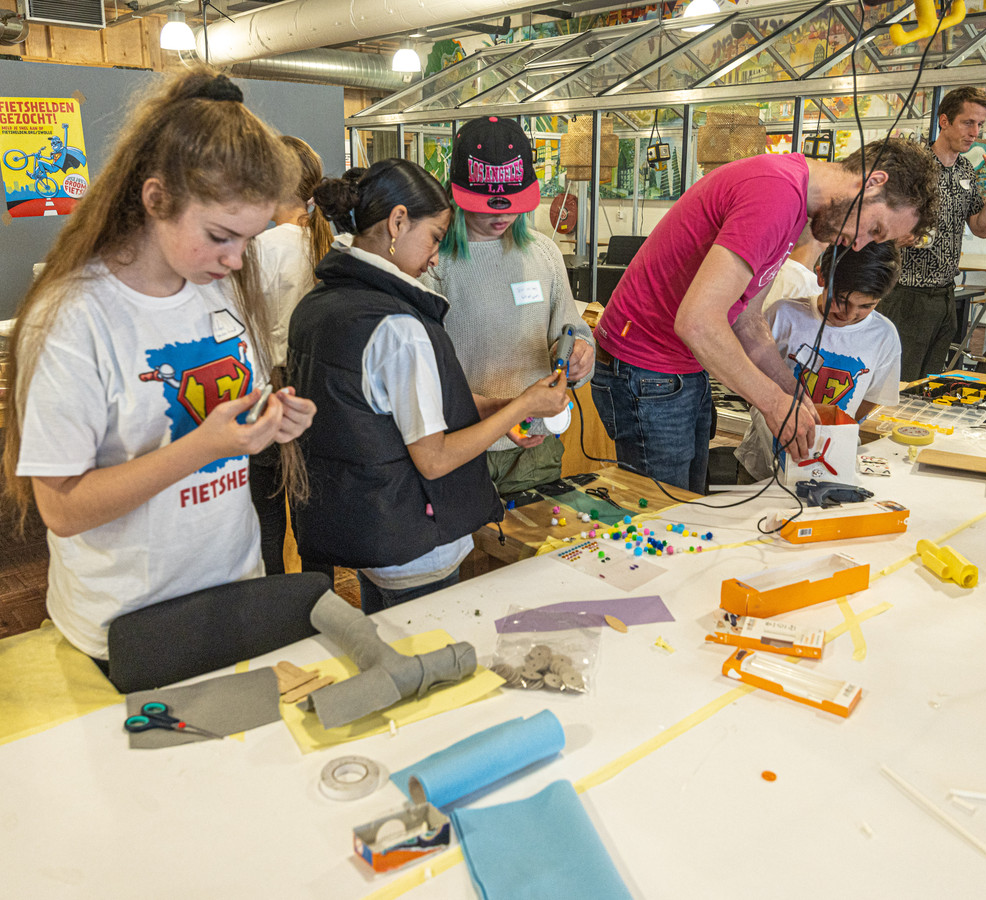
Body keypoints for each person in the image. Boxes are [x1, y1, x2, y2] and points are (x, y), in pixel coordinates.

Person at [1, 70, 317, 665]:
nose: (236, 259)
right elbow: (62, 509)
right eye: (221, 236)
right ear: (155, 199)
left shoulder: (215, 285)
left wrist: (269, 422)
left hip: (231, 589)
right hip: (131, 622)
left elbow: (216, 424)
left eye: (249, 239)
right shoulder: (75, 318)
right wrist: (204, 445)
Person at [289, 159, 570, 614]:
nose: (436, 256)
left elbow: (393, 408)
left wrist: (503, 405)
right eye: (435, 238)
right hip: (417, 544)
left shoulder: (321, 304)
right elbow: (435, 459)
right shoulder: (399, 326)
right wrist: (521, 408)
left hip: (370, 530)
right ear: (398, 221)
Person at [591, 137, 937, 493]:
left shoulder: (794, 206)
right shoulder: (776, 195)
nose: (860, 244)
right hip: (646, 368)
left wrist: (791, 391)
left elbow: (746, 319)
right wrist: (773, 404)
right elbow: (697, 322)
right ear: (873, 182)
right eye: (874, 229)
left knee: (688, 506)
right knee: (661, 519)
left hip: (678, 367)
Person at [423, 115, 594, 495]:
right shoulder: (433, 262)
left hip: (536, 450)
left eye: (511, 204)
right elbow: (425, 376)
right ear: (457, 192)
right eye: (486, 205)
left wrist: (581, 357)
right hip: (462, 449)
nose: (501, 215)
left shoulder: (543, 253)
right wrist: (498, 415)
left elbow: (573, 332)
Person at [736, 241, 903, 480]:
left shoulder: (884, 335)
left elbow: (872, 397)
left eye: (866, 305)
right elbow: (749, 375)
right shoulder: (783, 315)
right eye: (842, 299)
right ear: (821, 276)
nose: (849, 314)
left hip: (832, 459)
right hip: (762, 460)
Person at [877, 87, 986, 382]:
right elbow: (877, 221)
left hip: (945, 295)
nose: (974, 132)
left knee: (930, 383)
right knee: (899, 381)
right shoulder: (914, 166)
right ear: (944, 121)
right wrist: (896, 238)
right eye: (967, 122)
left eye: (980, 125)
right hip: (907, 292)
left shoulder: (966, 170)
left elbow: (981, 228)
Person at [250, 135, 334, 575]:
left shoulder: (258, 249)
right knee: (314, 525)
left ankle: (277, 621)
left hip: (267, 397)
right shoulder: (333, 245)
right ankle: (322, 616)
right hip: (320, 400)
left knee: (267, 524)